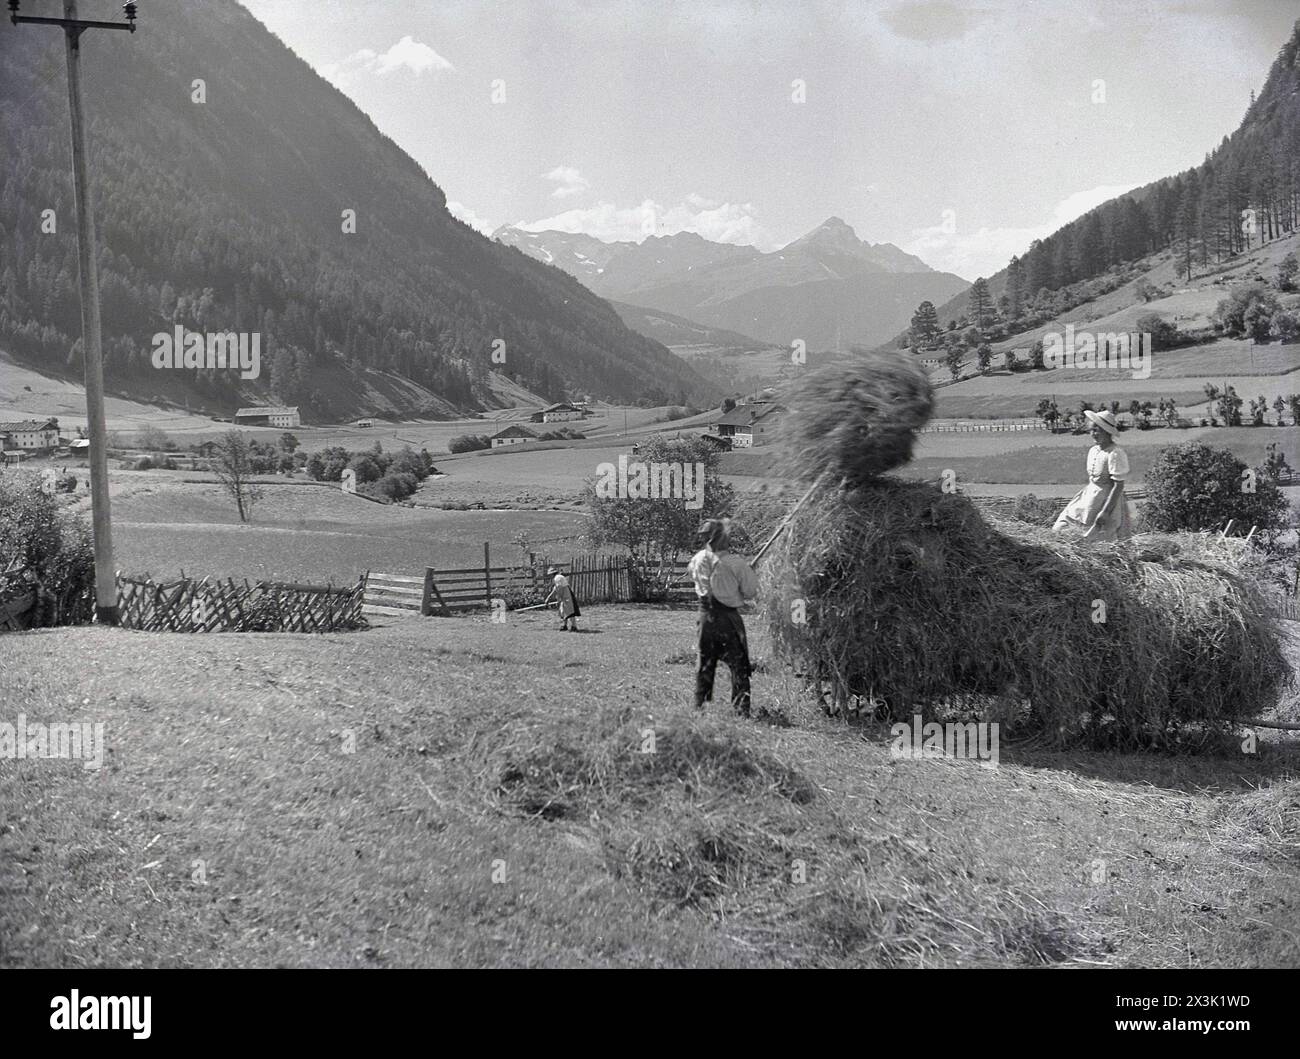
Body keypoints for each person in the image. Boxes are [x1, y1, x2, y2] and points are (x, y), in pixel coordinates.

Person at [687, 517, 759, 716]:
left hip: (705, 617)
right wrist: (747, 574)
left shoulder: (697, 559)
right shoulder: (736, 564)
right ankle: (740, 710)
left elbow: (693, 573)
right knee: (739, 665)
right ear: (723, 539)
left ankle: (700, 707)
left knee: (704, 664)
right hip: (728, 620)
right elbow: (751, 592)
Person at [1052, 409, 1134, 540]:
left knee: (1097, 540)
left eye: (1097, 431)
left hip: (1107, 501)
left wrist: (1105, 512)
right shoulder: (1093, 450)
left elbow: (1118, 486)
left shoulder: (1115, 453)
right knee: (1060, 527)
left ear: (1107, 432)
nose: (1093, 434)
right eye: (1091, 430)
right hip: (1088, 497)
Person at [543, 566, 580, 631]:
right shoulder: (557, 578)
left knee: (569, 611)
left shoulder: (558, 578)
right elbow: (555, 588)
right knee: (563, 611)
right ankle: (564, 625)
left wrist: (559, 599)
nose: (549, 576)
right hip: (564, 595)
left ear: (552, 574)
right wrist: (548, 597)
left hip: (567, 595)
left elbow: (559, 588)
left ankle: (574, 626)